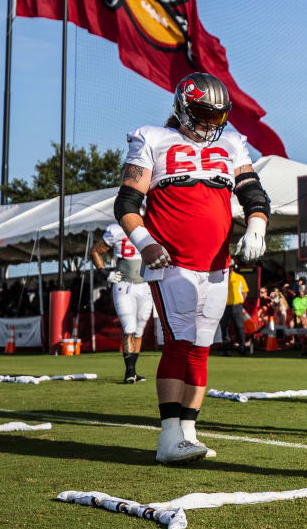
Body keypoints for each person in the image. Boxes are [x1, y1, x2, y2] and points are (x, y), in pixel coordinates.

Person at [115, 72, 270, 465]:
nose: (211, 124)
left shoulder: (233, 143)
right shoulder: (152, 138)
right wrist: (146, 245)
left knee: (201, 347)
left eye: (219, 116)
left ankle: (188, 431)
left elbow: (253, 192)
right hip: (172, 262)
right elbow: (127, 204)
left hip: (217, 264)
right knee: (179, 343)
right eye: (204, 114)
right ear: (183, 107)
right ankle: (168, 436)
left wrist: (256, 226)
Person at [92, 220, 155, 383]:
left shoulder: (152, 227)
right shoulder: (116, 230)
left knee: (140, 329)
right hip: (124, 285)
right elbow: (95, 251)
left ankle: (134, 371)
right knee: (129, 327)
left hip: (145, 285)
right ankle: (129, 371)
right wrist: (104, 273)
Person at [220, 268, 251, 356]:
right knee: (224, 327)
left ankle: (242, 347)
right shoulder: (222, 277)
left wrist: (240, 302)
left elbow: (244, 292)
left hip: (236, 305)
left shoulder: (239, 277)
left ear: (232, 268)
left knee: (239, 327)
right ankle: (226, 348)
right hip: (225, 305)